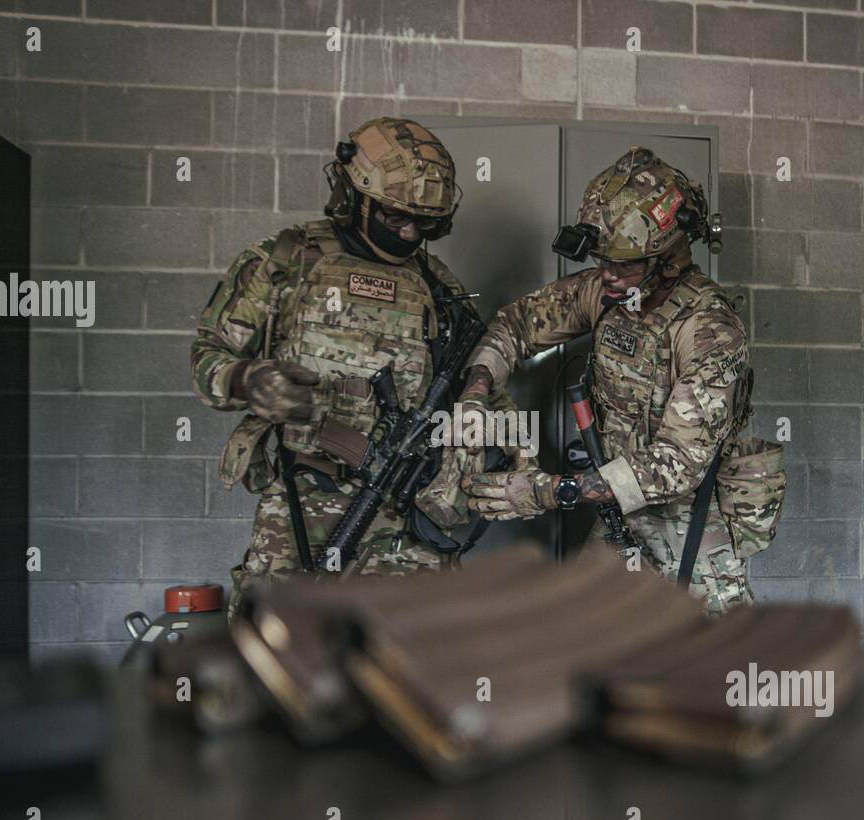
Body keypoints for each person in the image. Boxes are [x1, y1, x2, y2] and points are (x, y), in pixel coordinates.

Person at [459, 147, 784, 615]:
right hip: (619, 515)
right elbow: (517, 323)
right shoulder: (608, 292)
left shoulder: (708, 328)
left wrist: (548, 491)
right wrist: (475, 393)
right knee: (591, 644)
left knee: (705, 667)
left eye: (624, 264)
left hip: (693, 529)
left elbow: (678, 463)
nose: (606, 274)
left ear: (666, 258)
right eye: (600, 259)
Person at [191, 117, 490, 617]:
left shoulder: (439, 287)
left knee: (407, 666)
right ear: (355, 198)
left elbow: (479, 393)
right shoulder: (287, 260)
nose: (411, 232)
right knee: (278, 652)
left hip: (404, 508)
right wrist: (248, 381)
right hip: (303, 500)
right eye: (396, 217)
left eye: (426, 223)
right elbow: (207, 358)